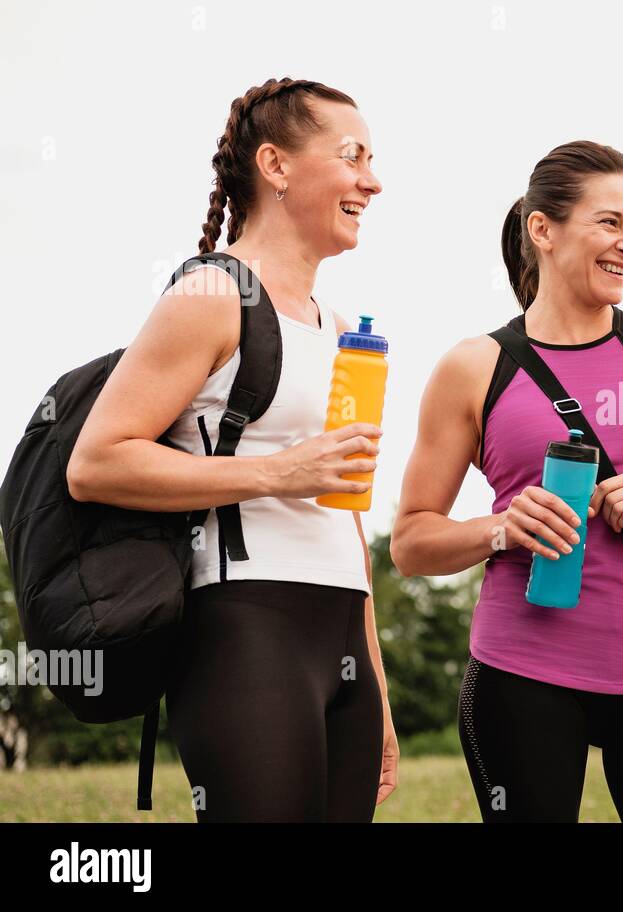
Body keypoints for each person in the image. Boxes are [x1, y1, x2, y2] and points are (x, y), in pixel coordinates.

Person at [390, 141, 623, 822]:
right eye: (609, 222)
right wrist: (502, 529)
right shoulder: (473, 367)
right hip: (523, 669)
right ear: (543, 229)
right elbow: (412, 542)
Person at [67, 77, 396, 822]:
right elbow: (96, 462)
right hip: (247, 629)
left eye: (373, 159)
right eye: (352, 156)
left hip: (341, 632)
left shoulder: (343, 325)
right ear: (277, 166)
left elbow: (343, 512)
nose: (372, 181)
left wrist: (374, 680)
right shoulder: (211, 294)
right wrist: (280, 470)